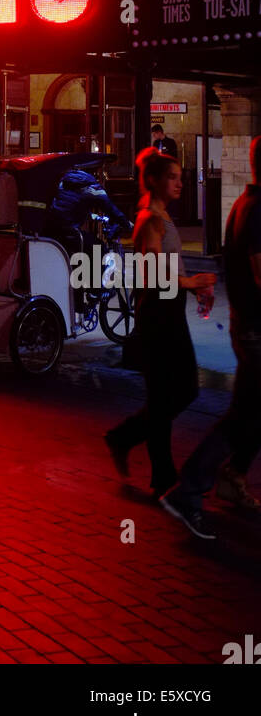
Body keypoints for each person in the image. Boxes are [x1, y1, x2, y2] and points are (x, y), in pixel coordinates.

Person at [160, 135, 261, 539]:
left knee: (252, 412)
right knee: (245, 416)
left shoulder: (248, 206)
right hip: (255, 329)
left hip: (249, 326)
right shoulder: (255, 211)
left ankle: (229, 478)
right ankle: (190, 489)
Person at [104, 148, 216, 501]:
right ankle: (153, 466)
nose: (181, 183)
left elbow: (169, 266)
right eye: (173, 177)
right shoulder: (149, 219)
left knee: (172, 394)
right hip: (157, 314)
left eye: (181, 177)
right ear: (154, 180)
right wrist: (189, 283)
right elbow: (152, 271)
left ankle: (142, 456)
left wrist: (192, 287)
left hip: (168, 310)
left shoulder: (162, 217)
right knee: (176, 392)